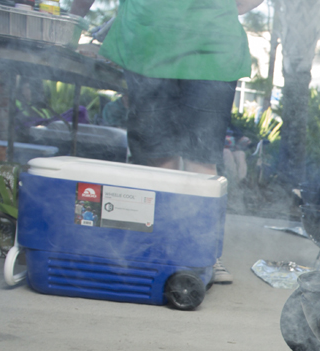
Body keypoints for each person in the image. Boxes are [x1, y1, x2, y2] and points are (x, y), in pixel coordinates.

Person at [70, 0, 266, 284]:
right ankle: (164, 250)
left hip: (201, 45)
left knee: (198, 159)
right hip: (152, 42)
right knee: (160, 159)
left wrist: (211, 9)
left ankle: (201, 253)